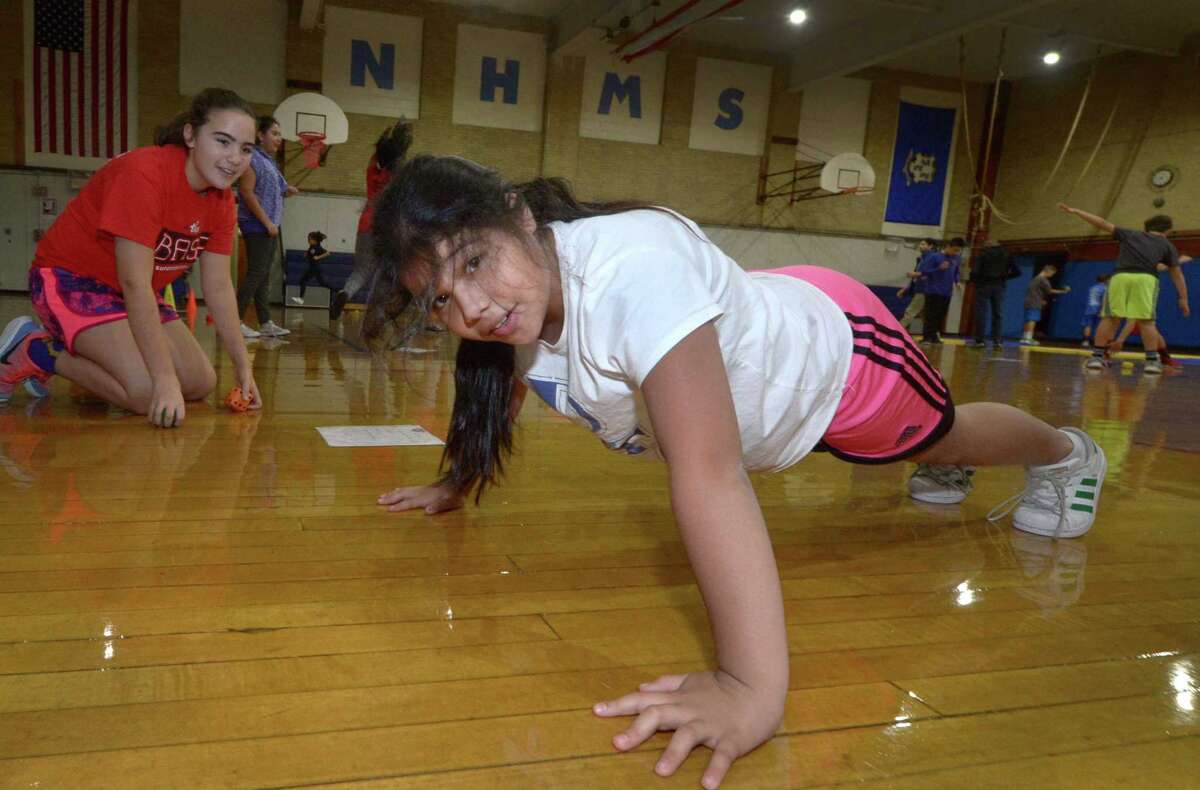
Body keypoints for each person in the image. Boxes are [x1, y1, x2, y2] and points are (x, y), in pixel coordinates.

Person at [362, 156, 1109, 788]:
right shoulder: (517, 305)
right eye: (441, 301)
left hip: (840, 368)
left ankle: (1067, 455)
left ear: (521, 218)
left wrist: (749, 688)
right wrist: (454, 482)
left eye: (473, 263)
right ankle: (958, 467)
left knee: (946, 438)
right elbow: (499, 384)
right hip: (769, 365)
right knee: (923, 449)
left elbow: (710, 475)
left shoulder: (629, 273)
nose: (474, 307)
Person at [0, 88, 263, 425]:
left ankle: (97, 361)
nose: (234, 158)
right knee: (147, 392)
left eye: (246, 149)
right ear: (191, 135)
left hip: (133, 293)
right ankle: (35, 350)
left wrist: (243, 366)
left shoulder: (223, 201)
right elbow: (134, 282)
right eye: (223, 141)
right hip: (71, 280)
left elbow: (219, 287)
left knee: (200, 382)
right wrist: (164, 380)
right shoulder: (145, 174)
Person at [1058, 204, 1190, 375]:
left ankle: (1097, 358)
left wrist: (1077, 211)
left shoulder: (1131, 234)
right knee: (1146, 322)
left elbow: (1102, 222)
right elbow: (1177, 274)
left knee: (1110, 318)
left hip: (1121, 277)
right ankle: (1151, 362)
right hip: (1146, 279)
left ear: (1147, 229)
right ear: (1168, 231)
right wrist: (1183, 298)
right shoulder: (1167, 245)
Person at [329, 122, 413, 321]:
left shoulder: (372, 172)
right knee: (388, 272)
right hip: (388, 225)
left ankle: (345, 294)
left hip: (366, 222)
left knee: (360, 271)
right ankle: (381, 312)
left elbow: (374, 158)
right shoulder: (399, 175)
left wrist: (384, 143)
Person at [236, 115, 298, 338]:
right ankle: (235, 321)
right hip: (257, 225)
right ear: (260, 136)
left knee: (263, 275)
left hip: (270, 225)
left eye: (280, 134)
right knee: (255, 273)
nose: (279, 138)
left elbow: (272, 189)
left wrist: (286, 190)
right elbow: (246, 192)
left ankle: (265, 322)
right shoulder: (252, 159)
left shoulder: (270, 162)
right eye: (274, 133)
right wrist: (266, 222)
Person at [968, 238, 1017, 349]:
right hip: (999, 286)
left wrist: (974, 281)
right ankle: (997, 342)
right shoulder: (1007, 254)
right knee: (998, 314)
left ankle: (980, 341)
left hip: (983, 285)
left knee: (981, 313)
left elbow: (975, 272)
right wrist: (1004, 277)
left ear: (988, 245)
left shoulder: (983, 254)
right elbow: (1017, 272)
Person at [916, 237, 963, 345]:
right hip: (933, 290)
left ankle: (934, 336)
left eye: (958, 251)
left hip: (947, 291)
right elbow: (924, 272)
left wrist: (957, 281)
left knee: (941, 315)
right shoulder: (934, 257)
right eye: (955, 250)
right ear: (948, 246)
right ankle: (926, 337)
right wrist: (938, 269)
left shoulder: (956, 258)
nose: (956, 253)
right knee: (930, 314)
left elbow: (956, 271)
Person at [1020, 262, 1070, 346]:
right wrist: (1063, 291)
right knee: (1032, 319)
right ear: (1049, 271)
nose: (1051, 276)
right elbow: (1049, 291)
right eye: (1052, 273)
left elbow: (1036, 291)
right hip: (1035, 302)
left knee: (1028, 319)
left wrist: (1041, 299)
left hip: (1029, 301)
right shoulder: (1043, 279)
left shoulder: (1036, 278)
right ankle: (1028, 339)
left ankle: (1025, 338)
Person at [898, 238, 936, 334]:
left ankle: (897, 331)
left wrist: (918, 275)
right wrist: (906, 288)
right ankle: (933, 335)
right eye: (920, 244)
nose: (920, 246)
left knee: (910, 311)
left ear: (930, 246)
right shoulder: (922, 259)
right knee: (926, 314)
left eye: (923, 244)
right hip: (920, 288)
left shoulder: (932, 258)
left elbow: (927, 274)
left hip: (925, 289)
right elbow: (916, 276)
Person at [291, 231, 332, 305]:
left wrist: (318, 257)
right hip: (317, 268)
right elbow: (310, 250)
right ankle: (337, 290)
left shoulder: (318, 247)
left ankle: (300, 299)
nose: (308, 241)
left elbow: (328, 253)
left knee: (303, 280)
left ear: (314, 240)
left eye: (309, 240)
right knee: (323, 283)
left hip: (315, 267)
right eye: (308, 239)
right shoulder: (312, 246)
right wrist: (306, 254)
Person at [1080, 274, 1109, 347]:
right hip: (1098, 308)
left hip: (1089, 309)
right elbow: (1103, 300)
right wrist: (1102, 310)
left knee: (1088, 325)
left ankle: (1085, 341)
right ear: (1105, 280)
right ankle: (1098, 343)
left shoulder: (1092, 288)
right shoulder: (1105, 288)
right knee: (1099, 326)